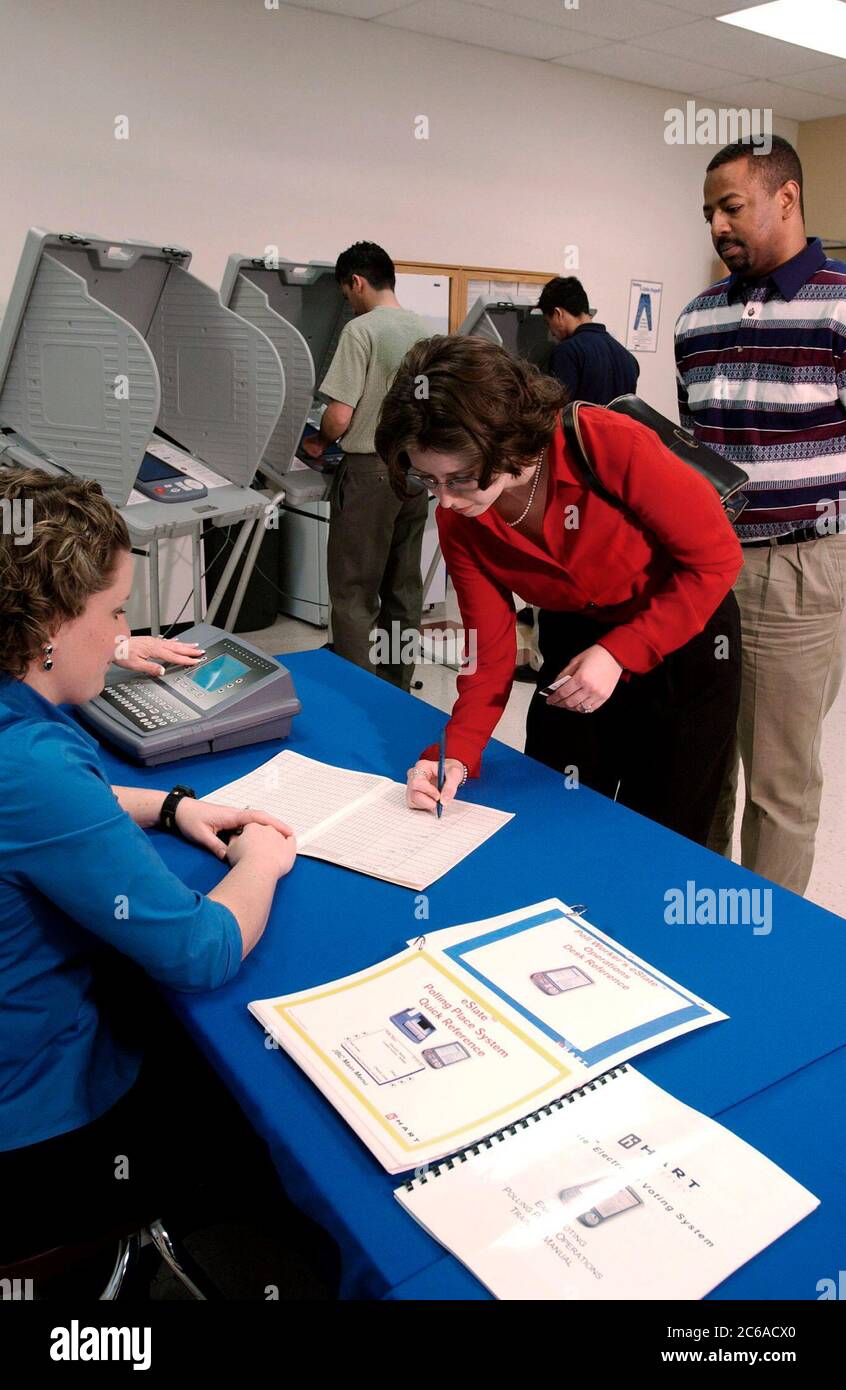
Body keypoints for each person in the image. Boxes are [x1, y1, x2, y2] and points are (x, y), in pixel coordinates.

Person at [0, 466, 297, 1265]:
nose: (124, 632)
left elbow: (38, 818)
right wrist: (261, 861)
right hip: (33, 1139)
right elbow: (200, 950)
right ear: (48, 629)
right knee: (239, 1105)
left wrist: (167, 806)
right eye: (115, 611)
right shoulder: (31, 768)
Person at [375, 335, 743, 845]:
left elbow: (716, 558)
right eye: (428, 481)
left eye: (458, 479)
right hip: (575, 637)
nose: (446, 501)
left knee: (663, 830)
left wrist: (620, 653)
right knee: (558, 807)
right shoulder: (462, 520)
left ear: (504, 440)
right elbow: (491, 649)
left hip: (682, 631)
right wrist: (454, 752)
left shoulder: (605, 442)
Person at [675, 136, 846, 896]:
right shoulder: (695, 318)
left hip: (798, 569)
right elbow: (694, 451)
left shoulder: (840, 301)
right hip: (700, 566)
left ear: (786, 198)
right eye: (708, 211)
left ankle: (759, 945)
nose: (716, 224)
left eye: (731, 206)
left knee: (777, 783)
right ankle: (694, 921)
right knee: (701, 761)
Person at [300, 242, 430, 690]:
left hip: (369, 471)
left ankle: (361, 692)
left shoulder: (362, 331)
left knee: (354, 592)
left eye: (346, 292)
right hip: (415, 472)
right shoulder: (426, 331)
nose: (348, 303)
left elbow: (340, 415)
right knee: (403, 590)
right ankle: (397, 686)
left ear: (356, 281)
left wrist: (318, 441)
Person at [539, 276, 639, 405]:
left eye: (548, 323)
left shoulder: (567, 352)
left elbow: (557, 410)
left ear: (558, 313)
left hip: (582, 426)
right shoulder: (628, 357)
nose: (552, 333)